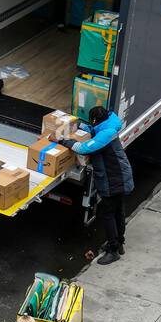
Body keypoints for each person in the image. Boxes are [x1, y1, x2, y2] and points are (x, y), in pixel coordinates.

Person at [53, 105, 133, 265]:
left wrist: (63, 140)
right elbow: (92, 129)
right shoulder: (108, 125)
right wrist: (78, 125)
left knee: (108, 213)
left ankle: (113, 250)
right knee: (118, 211)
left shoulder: (106, 134)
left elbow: (83, 148)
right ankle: (119, 243)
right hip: (119, 178)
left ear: (96, 120)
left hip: (114, 180)